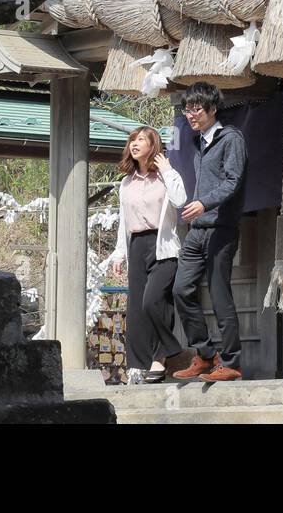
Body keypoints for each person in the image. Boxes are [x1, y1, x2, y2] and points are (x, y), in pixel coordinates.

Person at [172, 82, 247, 382]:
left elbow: (233, 181)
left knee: (219, 295)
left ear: (212, 109)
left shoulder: (231, 139)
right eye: (187, 109)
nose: (191, 114)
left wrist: (204, 203)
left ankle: (231, 363)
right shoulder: (197, 143)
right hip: (197, 231)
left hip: (221, 228)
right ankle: (205, 355)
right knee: (181, 290)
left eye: (197, 108)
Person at [106, 126, 187, 384]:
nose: (134, 143)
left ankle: (165, 353)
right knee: (137, 309)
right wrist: (119, 253)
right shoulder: (126, 182)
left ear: (153, 146)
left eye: (141, 139)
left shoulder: (166, 177)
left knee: (152, 301)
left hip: (162, 246)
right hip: (136, 245)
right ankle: (141, 365)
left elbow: (181, 199)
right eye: (132, 139)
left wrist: (167, 170)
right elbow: (123, 221)